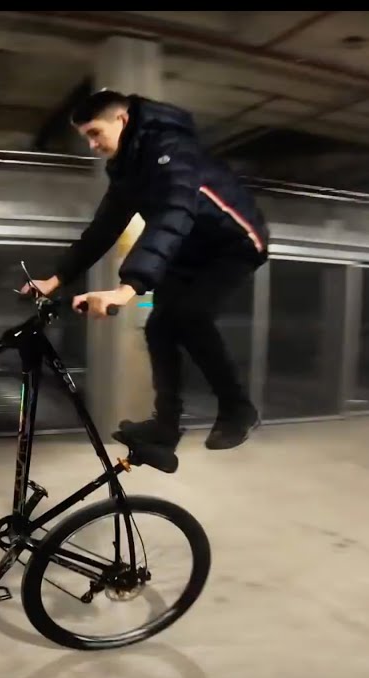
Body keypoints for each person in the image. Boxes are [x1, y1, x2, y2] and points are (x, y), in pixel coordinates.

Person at [22, 89, 269, 453]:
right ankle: (166, 427)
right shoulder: (127, 169)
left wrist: (127, 289)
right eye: (86, 137)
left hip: (234, 242)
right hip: (187, 249)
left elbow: (173, 213)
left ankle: (238, 409)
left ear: (121, 120)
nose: (92, 145)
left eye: (95, 133)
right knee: (159, 327)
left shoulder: (173, 150)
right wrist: (54, 280)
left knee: (191, 314)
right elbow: (103, 229)